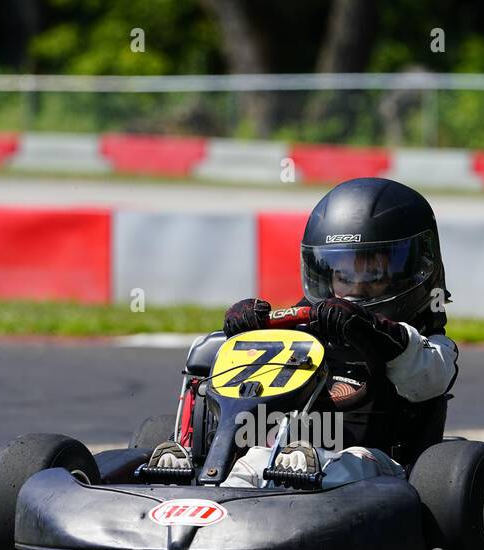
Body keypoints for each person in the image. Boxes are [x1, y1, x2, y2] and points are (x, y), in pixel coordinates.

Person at [150, 177, 459, 488]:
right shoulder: (304, 330)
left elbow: (425, 377)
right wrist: (247, 332)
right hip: (276, 456)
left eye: (373, 273)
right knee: (252, 454)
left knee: (343, 466)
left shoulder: (428, 348)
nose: (356, 285)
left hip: (377, 470)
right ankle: (200, 485)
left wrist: (368, 328)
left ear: (412, 270)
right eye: (344, 273)